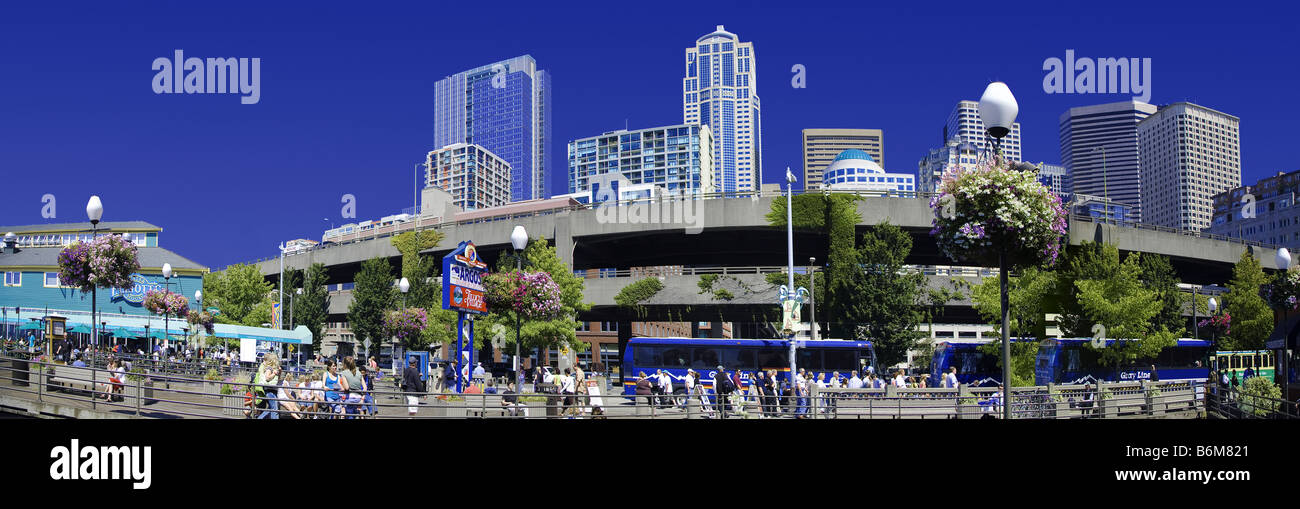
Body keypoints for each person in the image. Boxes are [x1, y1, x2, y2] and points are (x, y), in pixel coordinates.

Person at [255, 353, 282, 419]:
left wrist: (279, 372)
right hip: (269, 390)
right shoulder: (269, 369)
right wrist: (274, 373)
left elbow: (278, 380)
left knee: (271, 407)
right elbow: (267, 378)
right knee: (274, 408)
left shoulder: (274, 369)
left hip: (273, 389)